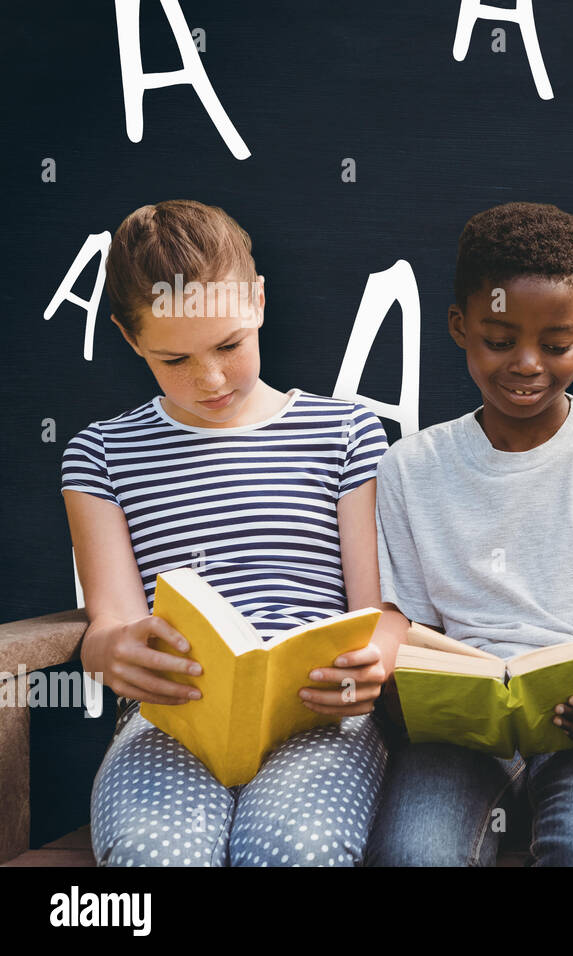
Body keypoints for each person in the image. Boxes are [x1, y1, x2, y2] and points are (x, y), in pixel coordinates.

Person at [61, 199, 406, 866]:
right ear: (130, 340)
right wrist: (112, 653)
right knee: (152, 855)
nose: (211, 379)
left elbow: (379, 611)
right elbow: (110, 626)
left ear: (259, 302)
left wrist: (377, 659)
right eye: (174, 359)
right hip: (173, 717)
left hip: (316, 713)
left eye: (229, 345)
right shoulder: (100, 453)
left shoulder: (346, 432)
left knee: (297, 851)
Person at [365, 201, 573, 866]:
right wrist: (402, 695)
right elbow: (408, 634)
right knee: (415, 854)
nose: (527, 364)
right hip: (461, 733)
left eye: (556, 343)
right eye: (500, 338)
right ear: (459, 326)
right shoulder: (412, 466)